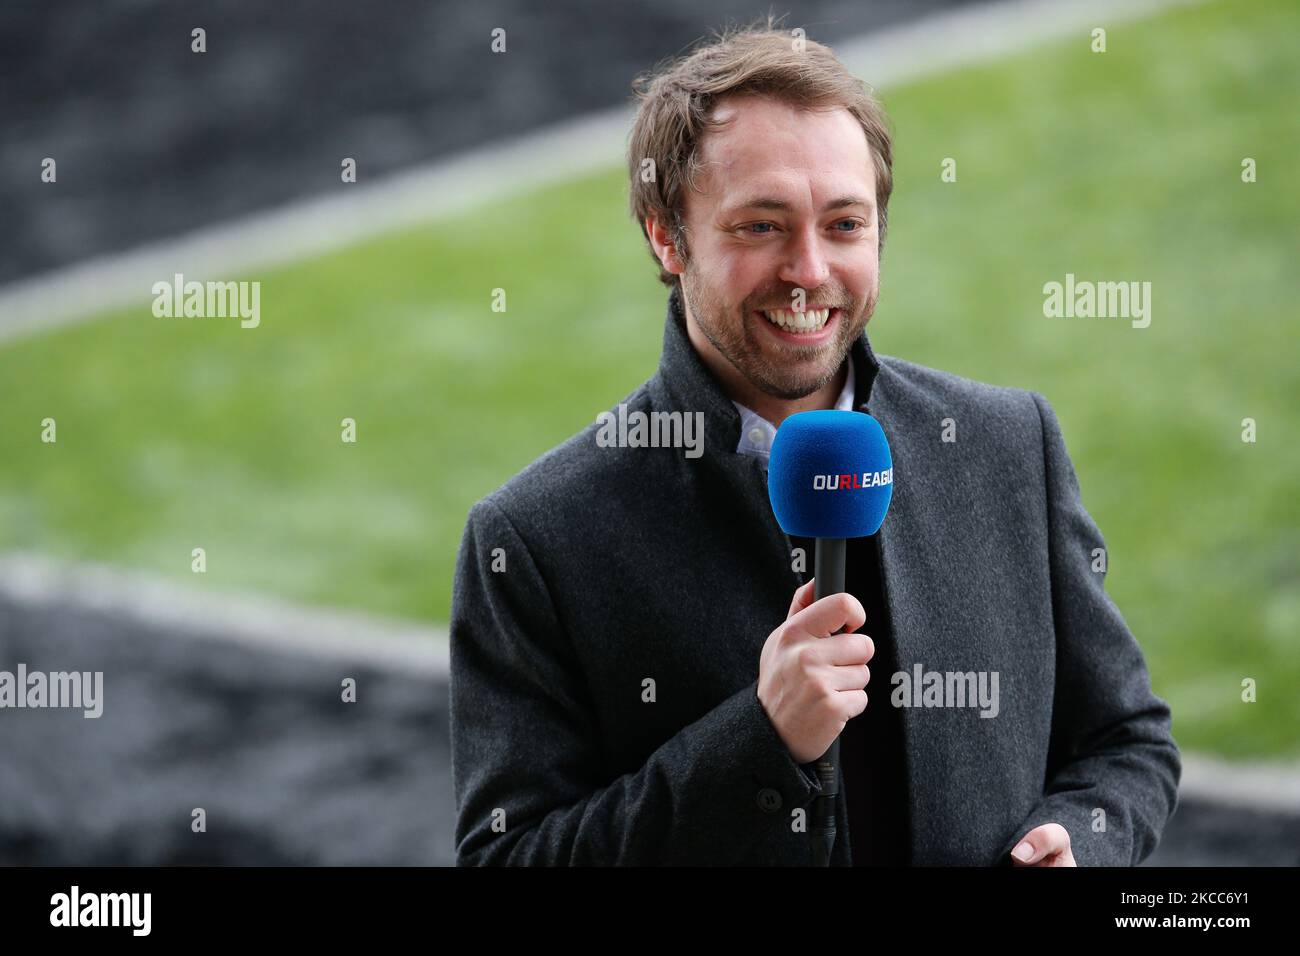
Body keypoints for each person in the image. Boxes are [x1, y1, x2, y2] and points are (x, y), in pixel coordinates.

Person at [449, 24, 1180, 866]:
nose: (809, 270)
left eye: (843, 224)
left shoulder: (1009, 447)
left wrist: (1082, 840)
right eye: (762, 226)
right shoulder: (536, 539)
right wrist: (758, 743)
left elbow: (1126, 739)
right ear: (664, 234)